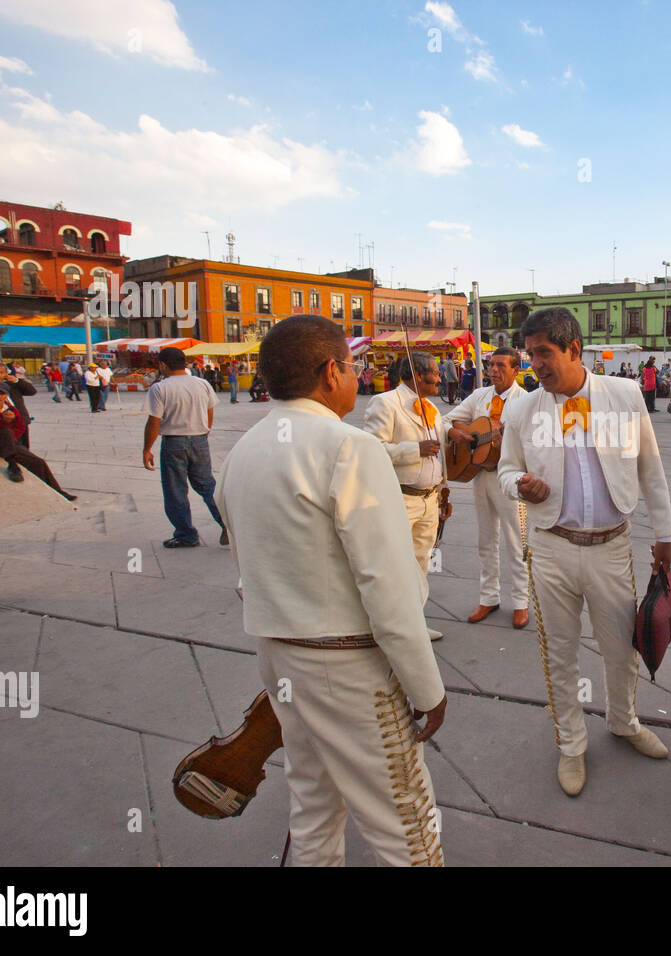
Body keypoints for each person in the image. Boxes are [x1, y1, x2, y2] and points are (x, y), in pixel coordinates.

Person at [216, 314, 446, 867]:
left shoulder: (244, 448)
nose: (356, 376)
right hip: (348, 669)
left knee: (314, 807)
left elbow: (244, 568)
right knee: (406, 826)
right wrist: (427, 687)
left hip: (280, 656)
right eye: (352, 366)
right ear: (329, 371)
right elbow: (387, 587)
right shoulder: (348, 448)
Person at [497, 307, 671, 797]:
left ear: (574, 349)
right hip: (551, 547)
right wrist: (521, 485)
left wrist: (665, 534)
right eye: (530, 354)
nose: (535, 364)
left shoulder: (624, 396)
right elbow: (505, 469)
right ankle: (571, 743)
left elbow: (650, 468)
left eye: (544, 353)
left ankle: (624, 721)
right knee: (559, 652)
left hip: (612, 547)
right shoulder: (523, 409)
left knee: (622, 648)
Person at [362, 352, 450, 642]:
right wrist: (414, 449)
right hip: (401, 498)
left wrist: (443, 490)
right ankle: (388, 626)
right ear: (417, 375)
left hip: (429, 499)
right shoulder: (385, 403)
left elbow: (440, 451)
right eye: (436, 373)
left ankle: (414, 623)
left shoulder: (432, 409)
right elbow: (371, 449)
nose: (440, 378)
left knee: (421, 562)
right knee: (395, 565)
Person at [442, 348, 530, 630]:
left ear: (516, 369)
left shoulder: (525, 402)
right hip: (481, 474)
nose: (494, 370)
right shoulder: (479, 396)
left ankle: (521, 602)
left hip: (511, 479)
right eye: (491, 365)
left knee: (517, 543)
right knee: (485, 540)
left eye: (501, 366)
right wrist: (461, 434)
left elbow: (535, 441)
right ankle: (488, 597)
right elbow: (448, 420)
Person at [142, 346, 227, 549]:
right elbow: (209, 410)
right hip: (199, 439)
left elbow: (154, 421)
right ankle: (228, 525)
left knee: (175, 489)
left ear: (163, 365)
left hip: (174, 442)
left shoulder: (160, 388)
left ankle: (186, 534)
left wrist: (147, 449)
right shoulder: (202, 383)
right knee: (207, 485)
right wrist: (205, 431)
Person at [0, 384, 75, 500]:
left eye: (1, 394)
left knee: (38, 462)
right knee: (6, 432)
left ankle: (57, 491)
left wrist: (10, 433)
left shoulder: (11, 409)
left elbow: (20, 427)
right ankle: (12, 465)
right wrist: (4, 422)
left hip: (8, 444)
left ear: (6, 396)